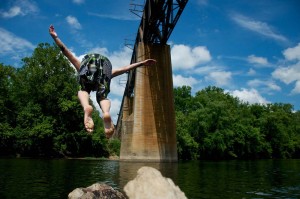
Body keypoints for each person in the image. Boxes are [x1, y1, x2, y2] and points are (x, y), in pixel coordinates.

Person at [49, 25, 156, 138]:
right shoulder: (109, 75)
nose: (94, 89)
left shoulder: (81, 67)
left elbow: (66, 52)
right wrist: (142, 63)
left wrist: (55, 37)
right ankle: (106, 112)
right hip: (105, 66)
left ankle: (86, 107)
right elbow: (125, 68)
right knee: (102, 97)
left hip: (89, 63)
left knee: (83, 89)